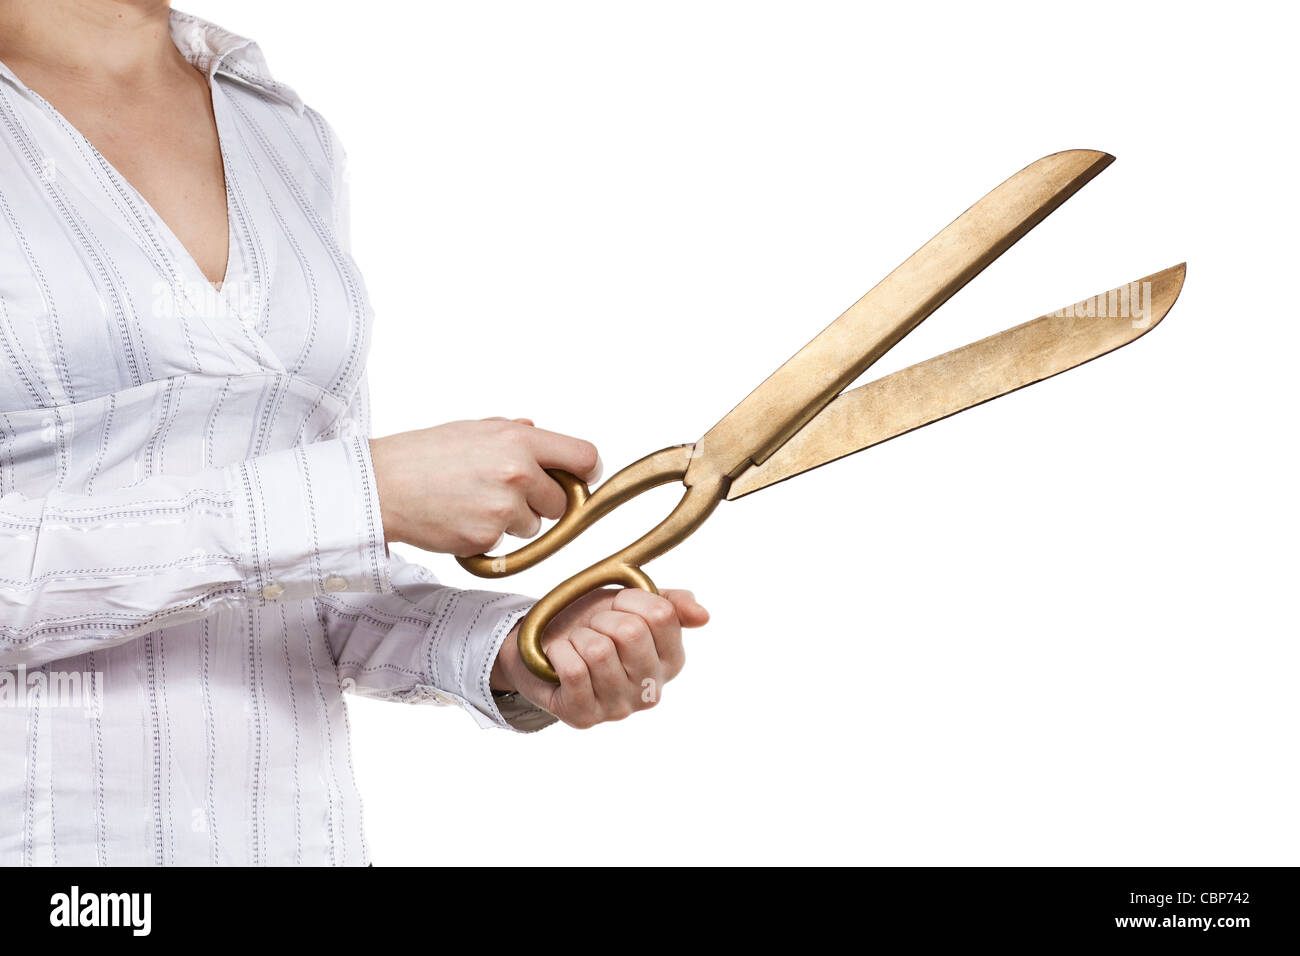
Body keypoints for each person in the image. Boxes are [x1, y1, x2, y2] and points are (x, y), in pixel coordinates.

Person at [0, 1, 708, 866]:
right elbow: (321, 513)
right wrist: (363, 494)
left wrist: (515, 649)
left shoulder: (281, 128)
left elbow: (307, 583)